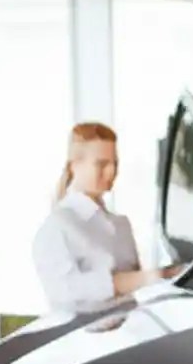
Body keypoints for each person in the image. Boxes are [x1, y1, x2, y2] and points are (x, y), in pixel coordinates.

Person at [32, 122, 182, 313]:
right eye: (101, 164)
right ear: (74, 165)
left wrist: (161, 276)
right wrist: (131, 281)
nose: (111, 172)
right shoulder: (56, 227)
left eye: (115, 163)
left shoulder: (121, 225)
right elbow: (63, 292)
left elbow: (136, 289)